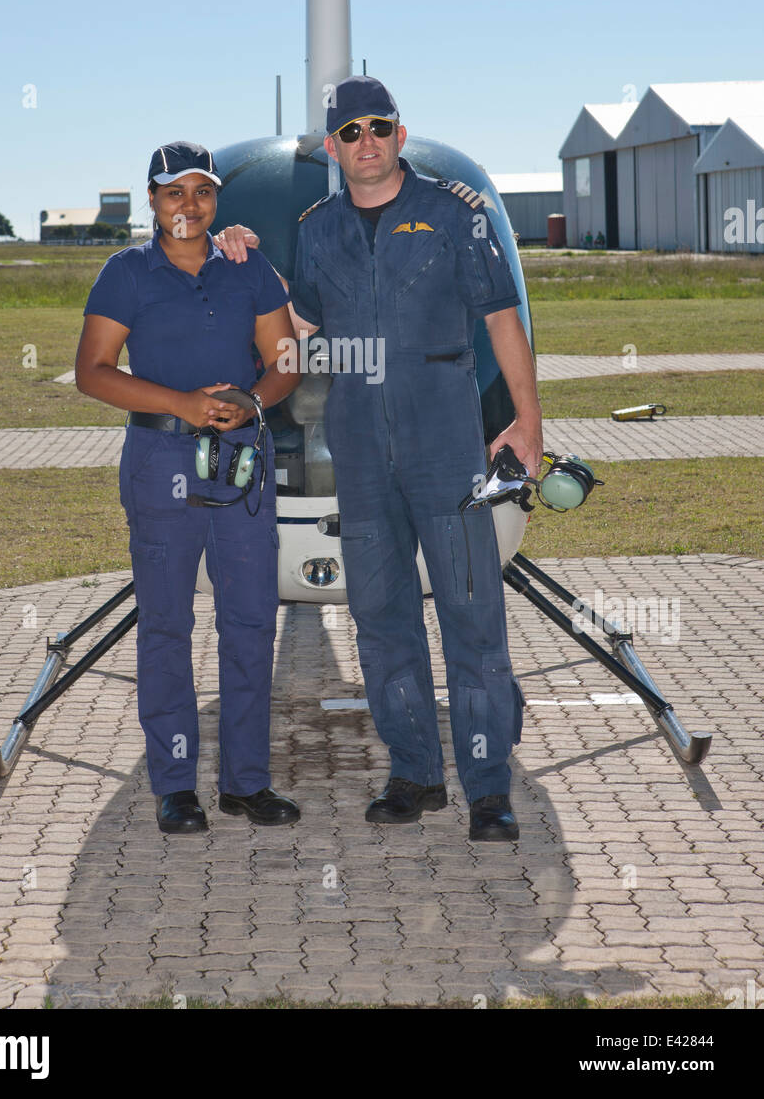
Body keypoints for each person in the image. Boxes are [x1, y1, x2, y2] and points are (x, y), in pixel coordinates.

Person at [217, 78, 543, 841]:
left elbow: (501, 317)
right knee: (382, 619)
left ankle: (488, 788)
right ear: (333, 147)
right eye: (351, 131)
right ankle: (416, 774)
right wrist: (241, 260)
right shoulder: (319, 228)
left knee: (472, 617)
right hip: (361, 450)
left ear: (399, 135)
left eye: (379, 127)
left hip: (445, 446)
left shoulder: (453, 215)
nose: (366, 141)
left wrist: (527, 420)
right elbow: (299, 320)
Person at [75, 141, 301, 833]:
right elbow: (93, 370)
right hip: (160, 462)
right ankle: (176, 785)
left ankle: (245, 784)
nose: (190, 205)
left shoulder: (247, 265)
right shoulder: (126, 273)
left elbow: (285, 358)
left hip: (239, 463)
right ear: (151, 199)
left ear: (215, 200)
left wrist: (253, 402)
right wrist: (181, 404)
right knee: (168, 626)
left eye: (202, 192)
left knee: (251, 621)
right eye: (175, 193)